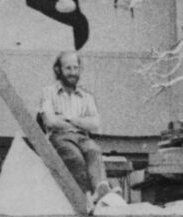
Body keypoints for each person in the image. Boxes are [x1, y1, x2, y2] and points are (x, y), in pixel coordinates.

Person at [37, 51, 121, 208]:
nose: (73, 73)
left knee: (94, 151)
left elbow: (95, 123)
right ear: (58, 70)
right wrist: (81, 122)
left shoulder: (86, 96)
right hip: (60, 137)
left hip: (83, 137)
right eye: (68, 68)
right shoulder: (48, 92)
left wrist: (69, 119)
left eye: (76, 68)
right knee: (75, 158)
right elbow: (50, 121)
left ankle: (100, 189)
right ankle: (87, 196)